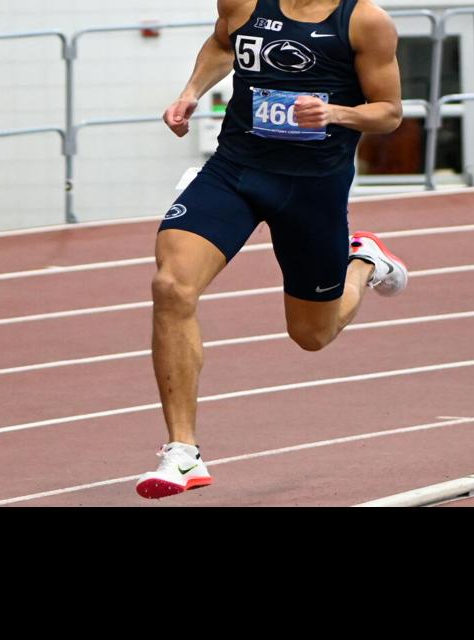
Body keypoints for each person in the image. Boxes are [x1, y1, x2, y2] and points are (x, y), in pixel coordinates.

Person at [136, 0, 408, 499]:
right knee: (171, 286)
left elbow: (389, 112)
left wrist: (334, 112)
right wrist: (192, 91)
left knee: (312, 335)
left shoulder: (364, 20)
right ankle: (182, 452)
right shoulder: (241, 2)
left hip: (313, 188)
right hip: (235, 173)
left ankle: (364, 262)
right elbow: (223, 44)